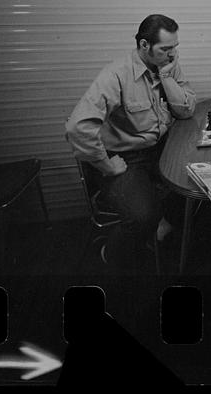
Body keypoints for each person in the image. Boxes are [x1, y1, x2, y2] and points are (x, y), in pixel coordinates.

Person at [65, 14, 196, 270]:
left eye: (175, 48)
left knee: (197, 185)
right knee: (141, 217)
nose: (172, 55)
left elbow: (185, 111)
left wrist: (168, 78)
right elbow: (77, 127)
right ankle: (112, 254)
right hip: (127, 157)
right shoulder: (116, 74)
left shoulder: (169, 65)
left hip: (161, 148)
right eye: (165, 49)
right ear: (145, 45)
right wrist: (106, 165)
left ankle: (161, 230)